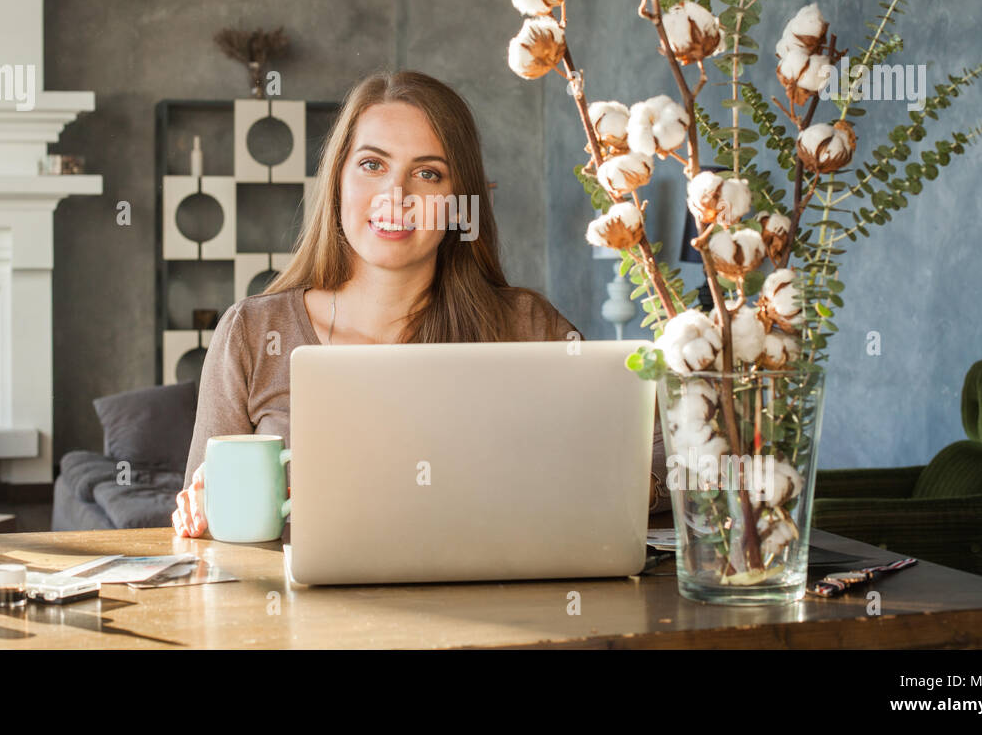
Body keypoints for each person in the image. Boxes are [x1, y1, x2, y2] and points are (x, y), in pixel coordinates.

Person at [172, 70, 669, 537]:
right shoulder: (253, 332)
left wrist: (622, 486)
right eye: (372, 165)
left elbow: (667, 455)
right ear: (338, 180)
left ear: (459, 200)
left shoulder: (523, 323)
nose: (396, 194)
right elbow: (209, 524)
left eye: (428, 174)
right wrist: (202, 511)